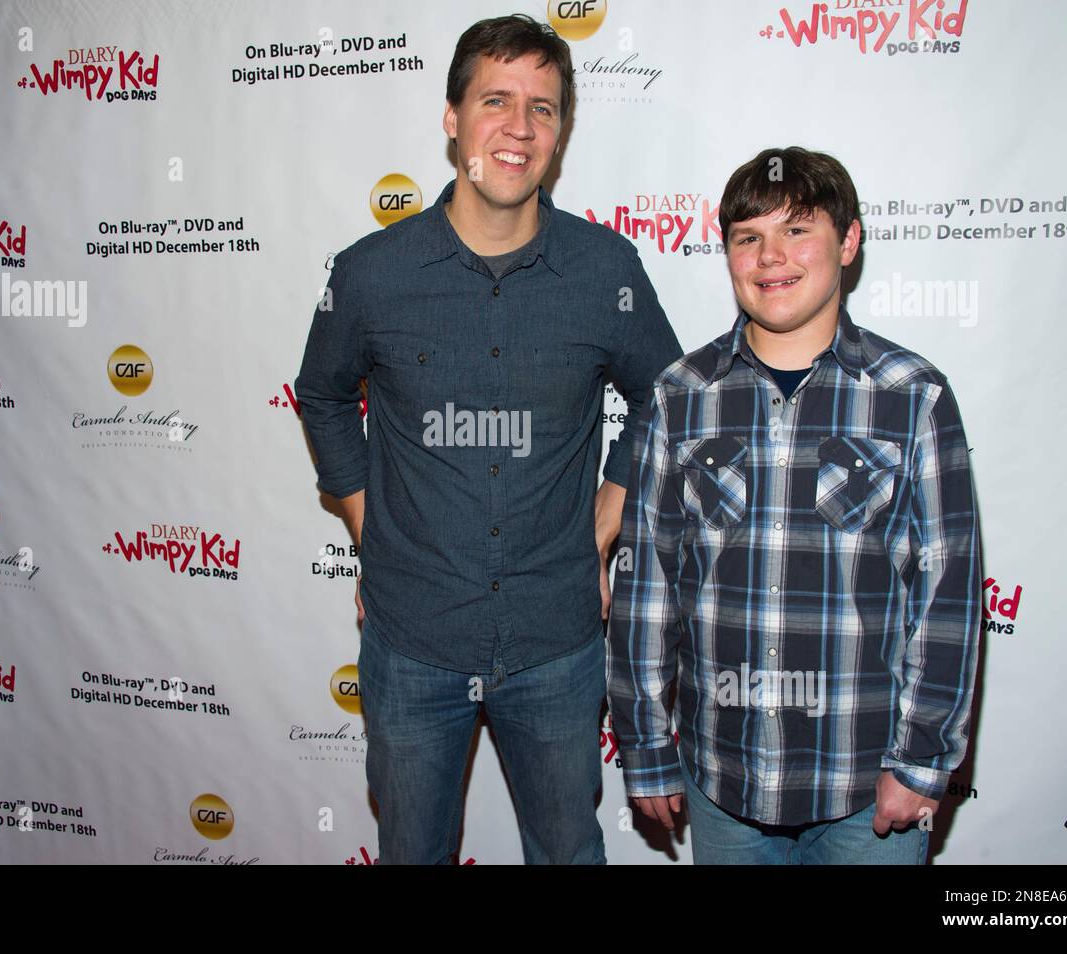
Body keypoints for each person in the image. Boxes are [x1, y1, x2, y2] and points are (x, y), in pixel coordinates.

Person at [294, 14, 683, 864]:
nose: (519, 127)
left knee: (568, 854)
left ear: (562, 131)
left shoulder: (606, 271)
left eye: (543, 108)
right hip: (411, 639)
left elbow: (667, 396)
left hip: (557, 639)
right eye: (496, 101)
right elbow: (321, 394)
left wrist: (608, 518)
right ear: (451, 117)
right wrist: (370, 526)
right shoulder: (370, 272)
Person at [607, 146, 981, 864]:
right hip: (723, 784)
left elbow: (949, 593)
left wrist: (922, 761)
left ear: (848, 242)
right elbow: (647, 588)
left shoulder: (913, 397)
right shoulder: (679, 397)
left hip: (868, 788)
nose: (771, 256)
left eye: (797, 229)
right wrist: (646, 744)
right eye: (748, 237)